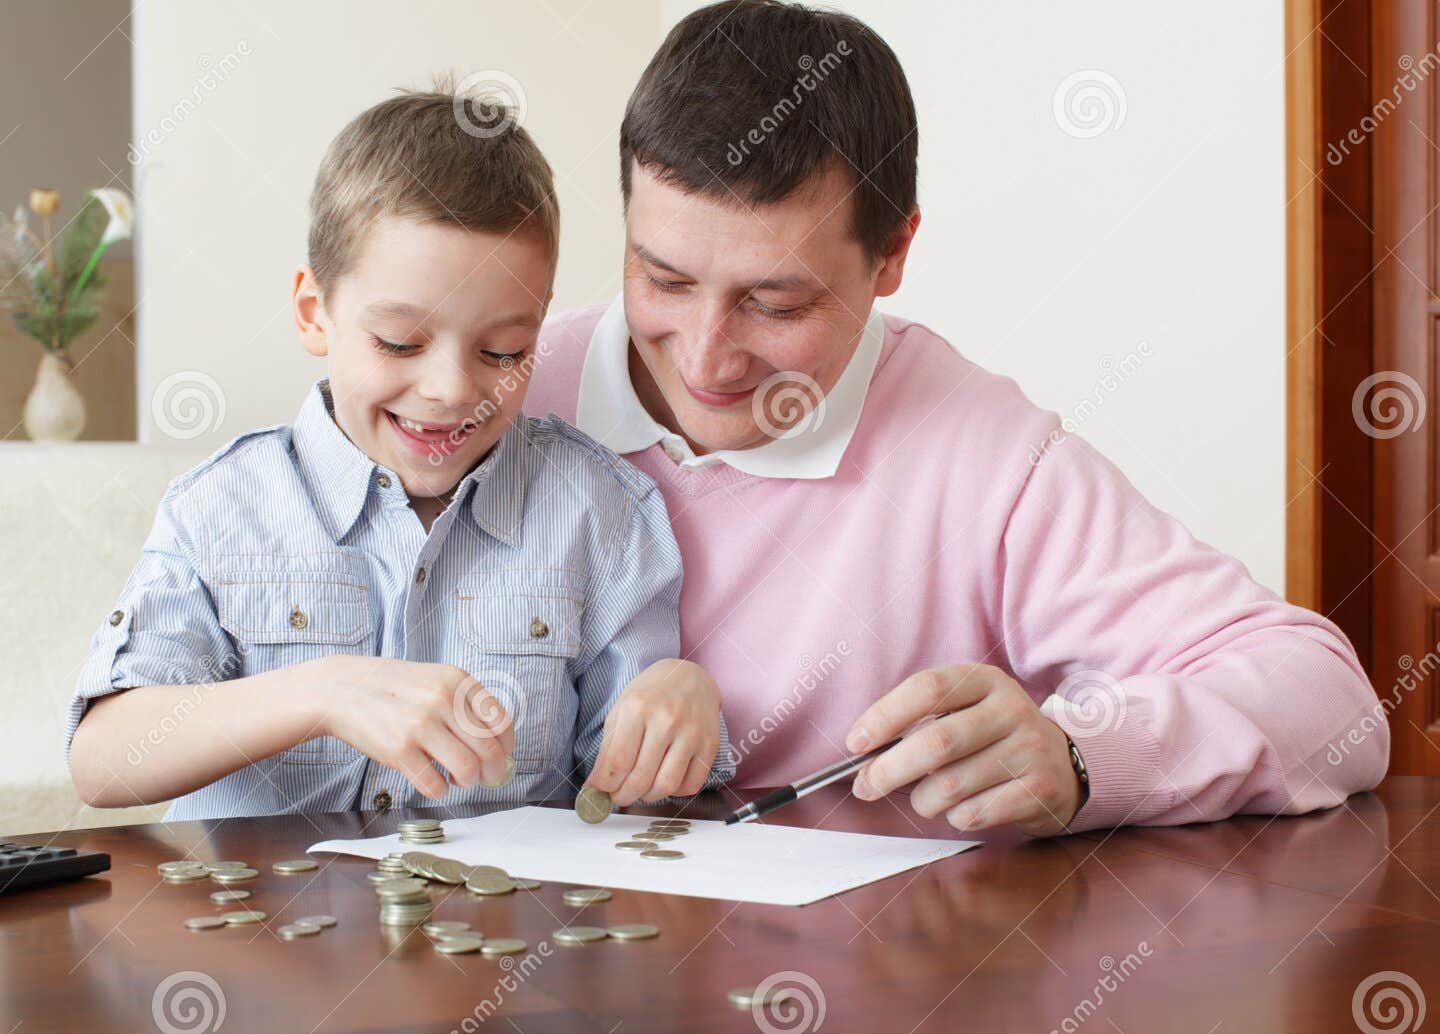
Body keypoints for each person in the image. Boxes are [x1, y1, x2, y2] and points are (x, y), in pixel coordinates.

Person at [527, 0, 1389, 835]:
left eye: (777, 304)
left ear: (892, 253)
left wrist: (1082, 754)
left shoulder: (984, 457)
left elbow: (1330, 701)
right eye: (665, 281)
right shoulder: (499, 388)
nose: (707, 358)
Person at [65, 90, 732, 821]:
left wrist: (682, 706)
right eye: (400, 343)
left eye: (503, 351)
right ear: (313, 313)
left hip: (503, 929)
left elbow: (626, 800)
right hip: (260, 930)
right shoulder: (225, 507)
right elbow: (102, 761)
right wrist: (320, 693)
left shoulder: (598, 510)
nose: (450, 391)